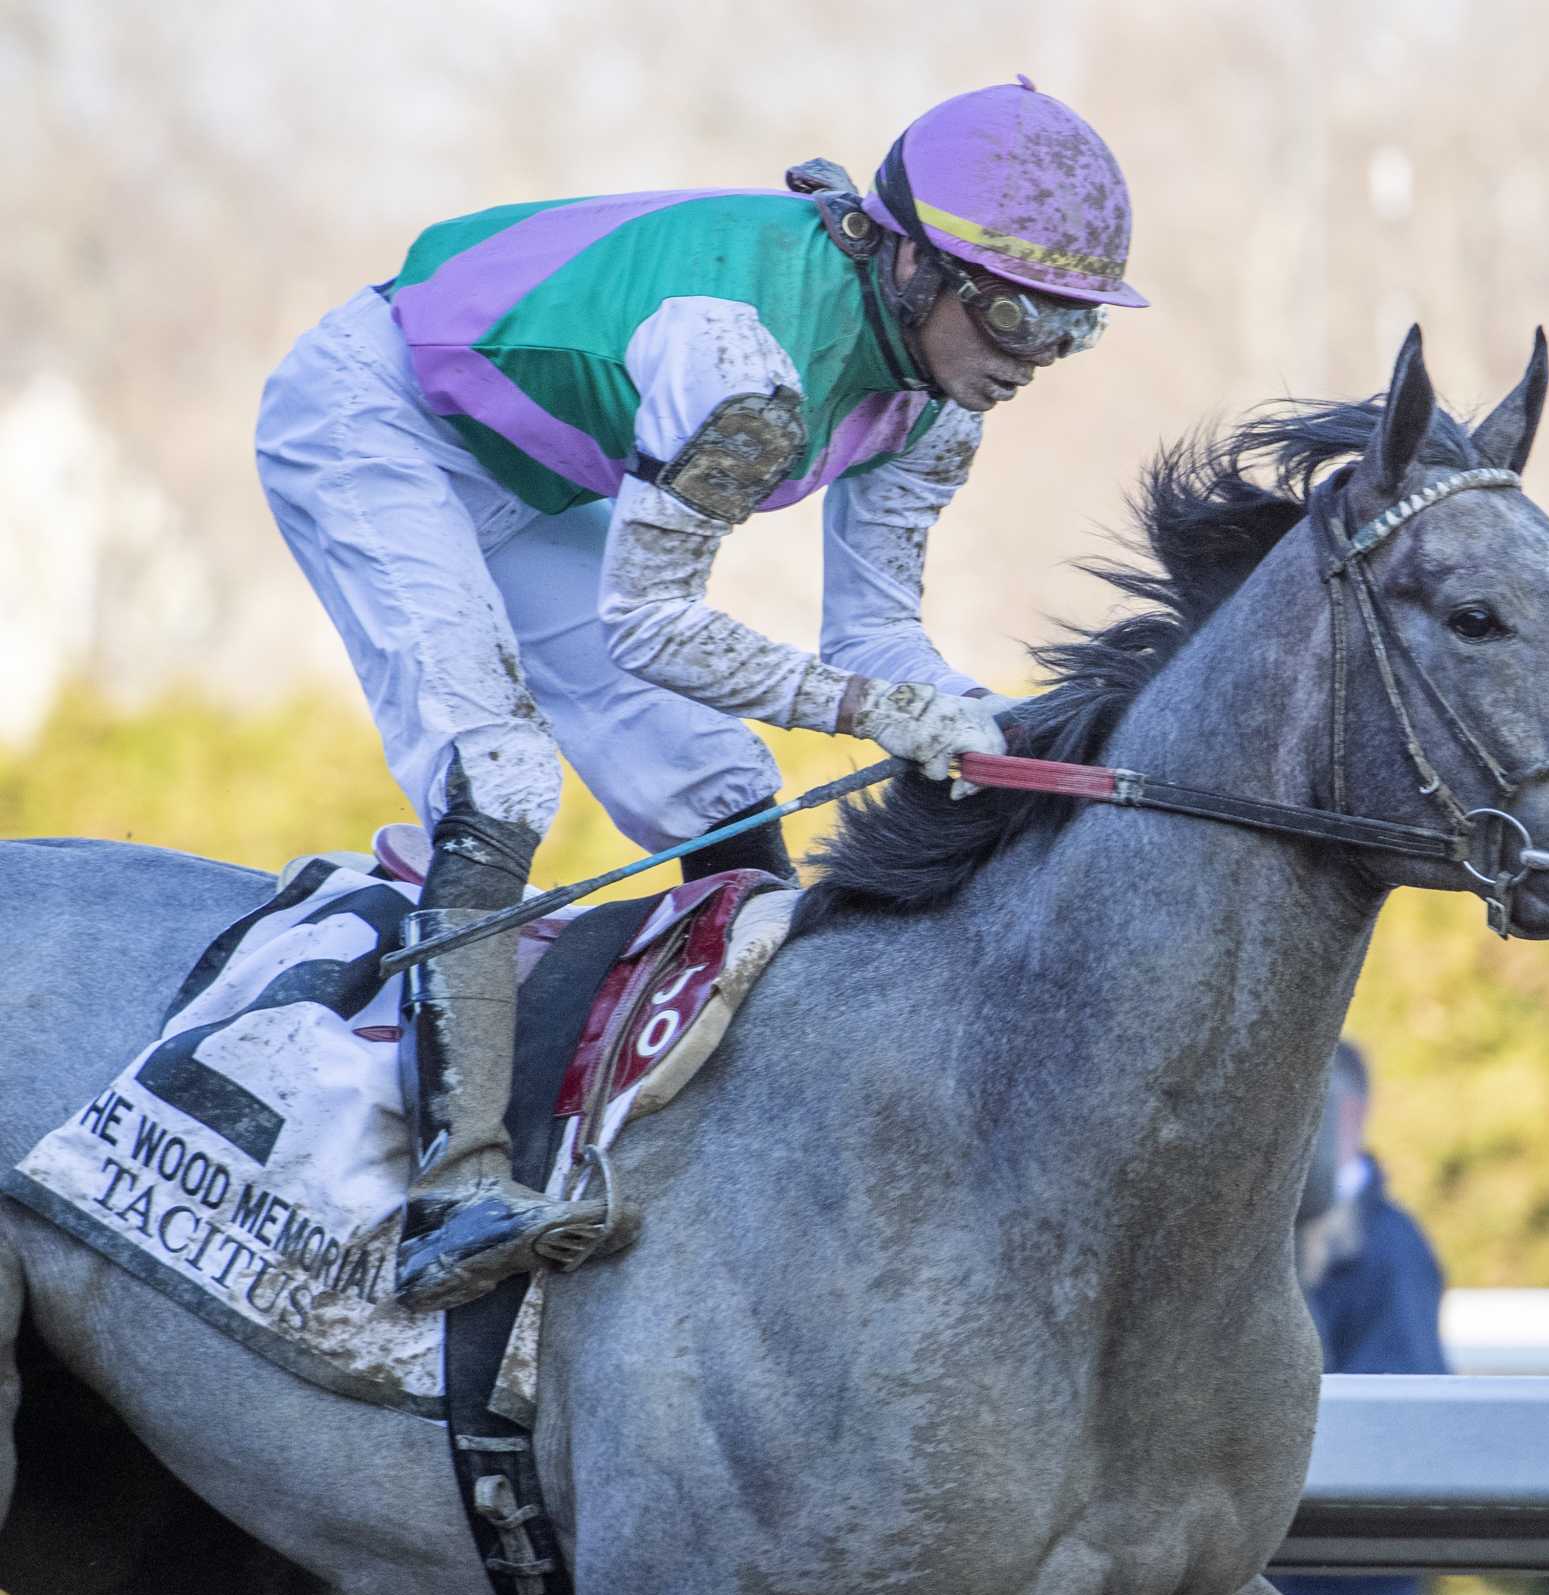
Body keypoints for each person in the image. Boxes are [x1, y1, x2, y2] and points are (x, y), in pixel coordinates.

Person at [253, 77, 1146, 1312]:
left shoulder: (937, 409)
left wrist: (987, 722)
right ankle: (454, 1192)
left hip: (542, 481)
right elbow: (650, 624)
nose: (1031, 361)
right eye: (1011, 316)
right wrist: (876, 714)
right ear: (909, 267)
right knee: (499, 776)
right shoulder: (742, 367)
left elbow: (877, 632)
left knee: (715, 784)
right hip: (377, 423)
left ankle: (761, 1113)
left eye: (1071, 328)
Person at [1272, 1042, 1449, 1595]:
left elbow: (1399, 1425)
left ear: (1339, 1115)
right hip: (1264, 1581)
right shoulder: (1281, 1237)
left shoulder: (1387, 1251)